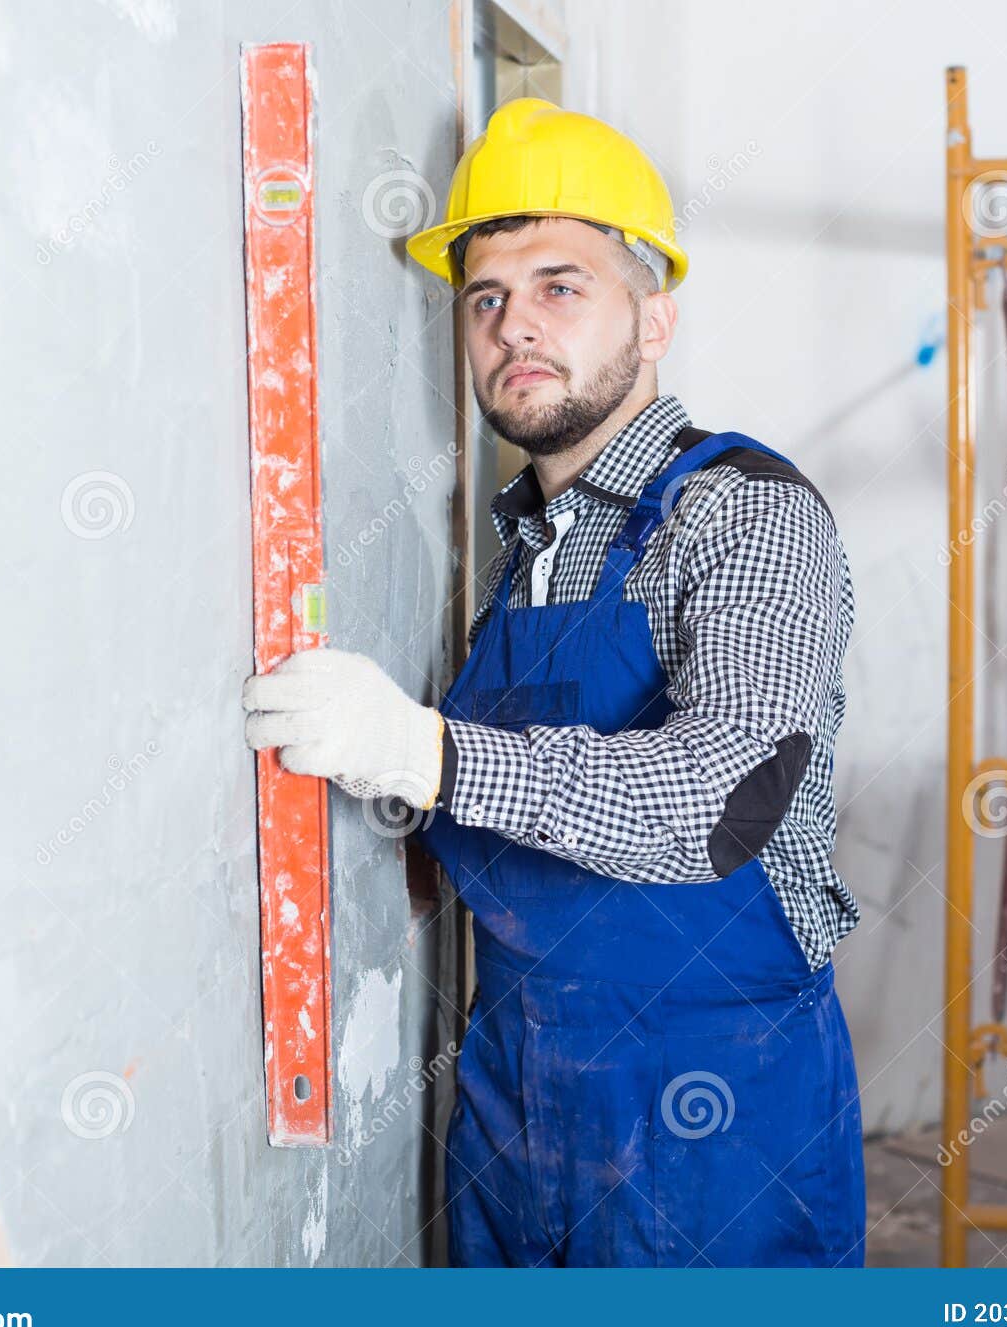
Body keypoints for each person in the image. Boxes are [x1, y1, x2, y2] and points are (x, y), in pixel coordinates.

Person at [242, 97, 864, 1267]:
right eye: (486, 299)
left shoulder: (746, 516)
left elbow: (718, 795)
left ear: (656, 314)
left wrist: (422, 751)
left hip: (709, 1103)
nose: (514, 324)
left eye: (560, 285)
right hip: (511, 1090)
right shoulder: (527, 546)